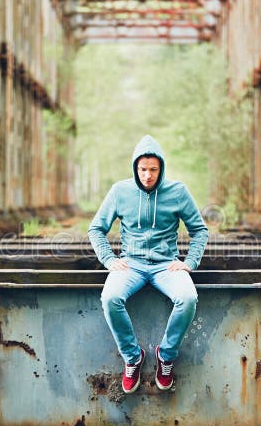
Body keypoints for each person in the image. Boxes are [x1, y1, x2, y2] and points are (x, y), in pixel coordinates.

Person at [89, 135, 209, 394]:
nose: (147, 175)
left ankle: (166, 356)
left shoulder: (178, 192)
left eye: (153, 169)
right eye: (142, 169)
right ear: (135, 167)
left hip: (166, 265)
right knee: (110, 297)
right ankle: (133, 357)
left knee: (187, 297)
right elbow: (96, 229)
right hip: (130, 265)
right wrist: (109, 259)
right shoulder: (120, 191)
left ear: (161, 168)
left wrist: (189, 262)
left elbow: (200, 230)